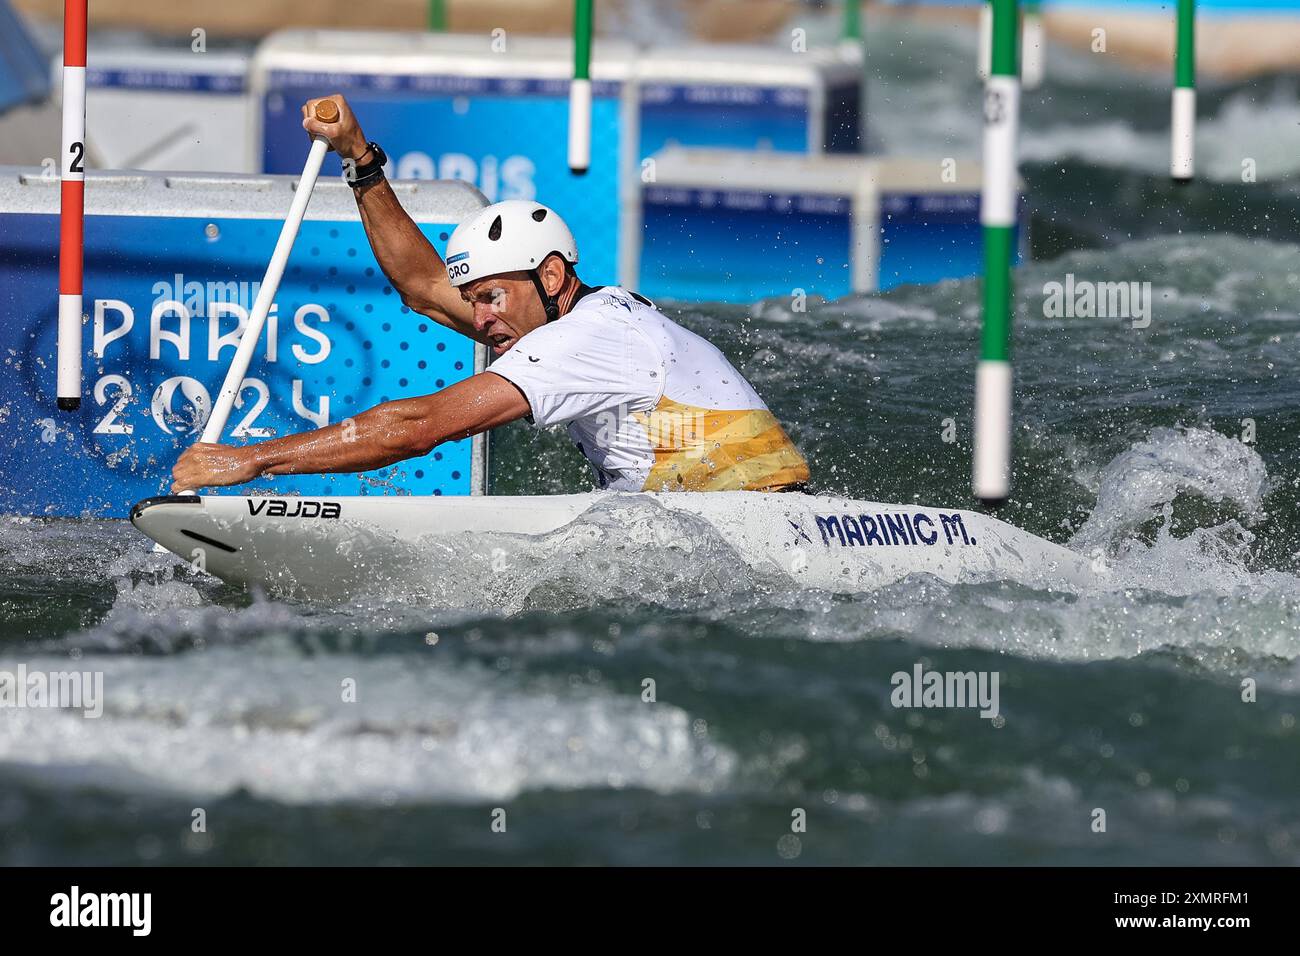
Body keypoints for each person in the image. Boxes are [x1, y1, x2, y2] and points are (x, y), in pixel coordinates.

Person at [172, 94, 810, 495]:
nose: (479, 320)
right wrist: (360, 162)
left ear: (551, 278)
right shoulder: (561, 317)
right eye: (473, 299)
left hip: (762, 532)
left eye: (491, 298)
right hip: (720, 527)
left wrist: (252, 460)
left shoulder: (588, 338)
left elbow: (421, 427)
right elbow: (424, 288)